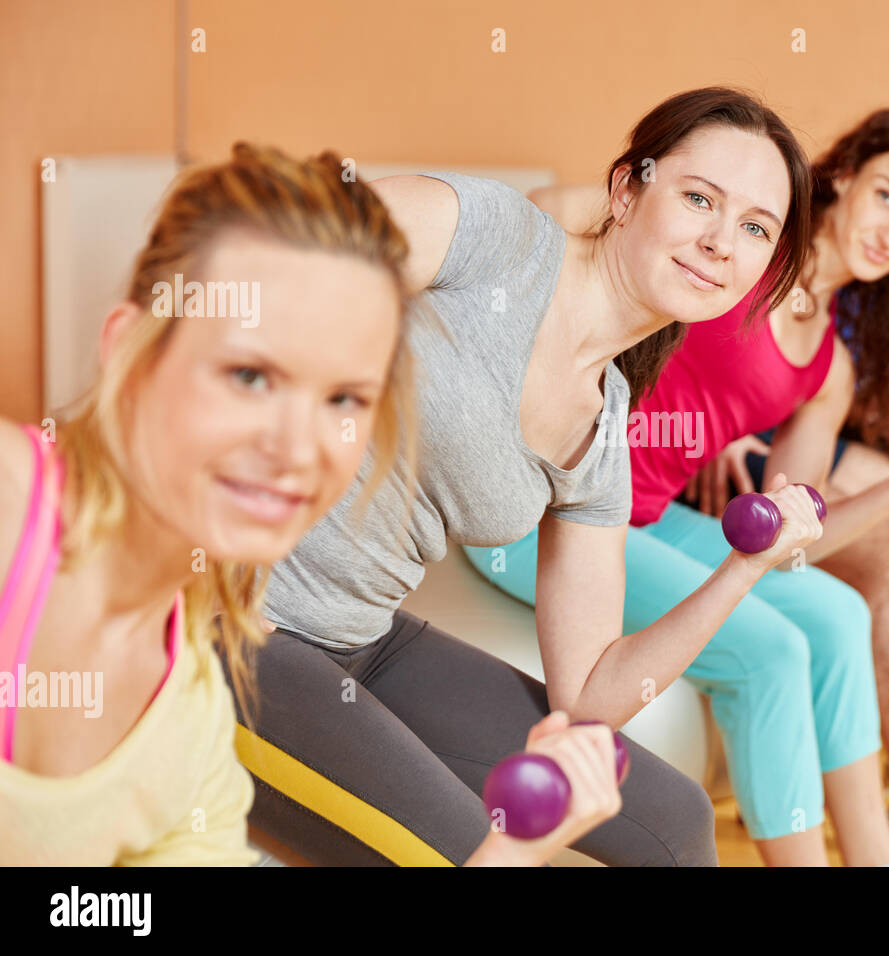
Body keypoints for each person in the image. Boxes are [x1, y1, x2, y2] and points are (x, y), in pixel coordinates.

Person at [0, 143, 623, 867]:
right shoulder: (11, 510)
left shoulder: (192, 716)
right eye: (250, 375)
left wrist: (514, 852)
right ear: (129, 351)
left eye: (343, 399)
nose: (299, 448)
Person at [245, 88, 820, 866]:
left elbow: (589, 693)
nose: (722, 241)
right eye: (698, 199)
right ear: (626, 191)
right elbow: (264, 274)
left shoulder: (603, 425)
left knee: (674, 820)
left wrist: (743, 566)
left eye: (755, 227)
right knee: (482, 855)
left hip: (362, 642)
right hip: (241, 628)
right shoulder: (492, 237)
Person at [468, 109, 889, 866]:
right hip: (553, 512)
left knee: (836, 611)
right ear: (846, 175)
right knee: (772, 651)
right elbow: (553, 212)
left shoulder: (830, 365)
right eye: (887, 197)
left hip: (647, 517)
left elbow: (801, 538)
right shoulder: (735, 254)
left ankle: (870, 853)